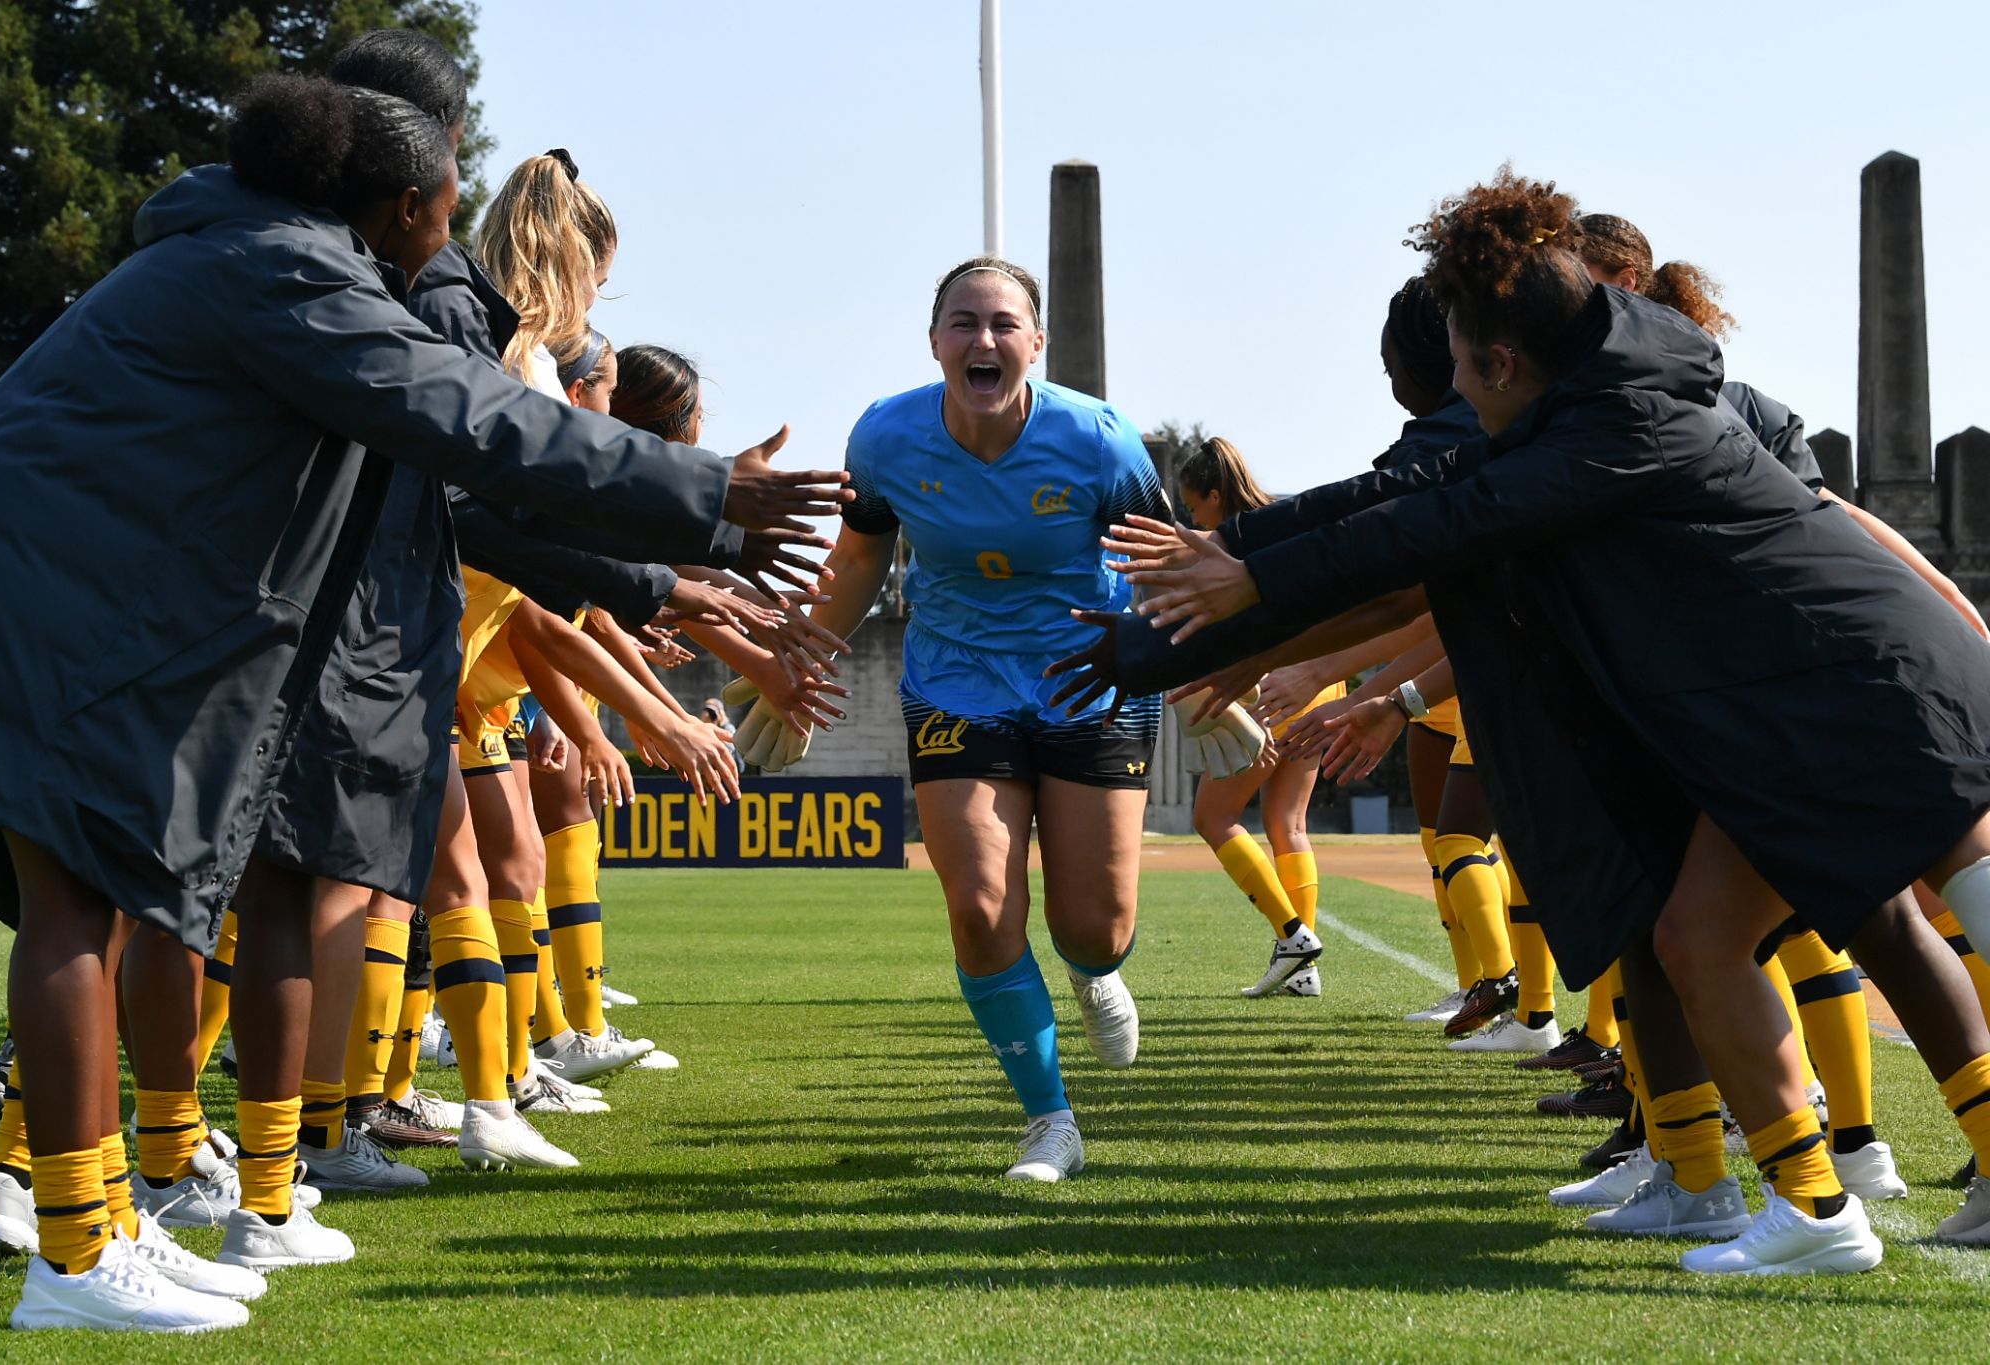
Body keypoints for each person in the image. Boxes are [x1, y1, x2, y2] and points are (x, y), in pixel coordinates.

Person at [0, 71, 845, 1332]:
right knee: (76, 912)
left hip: (47, 598)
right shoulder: (287, 272)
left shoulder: (247, 251)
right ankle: (77, 1255)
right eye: (447, 205)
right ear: (403, 206)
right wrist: (704, 491)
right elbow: (476, 421)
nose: (451, 231)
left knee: (98, 910)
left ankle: (103, 1219)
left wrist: (671, 557)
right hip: (43, 608)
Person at [1055, 169, 1990, 1273]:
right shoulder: (1590, 399)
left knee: (1822, 924)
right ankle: (1805, 1203)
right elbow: (1386, 504)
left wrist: (1245, 589)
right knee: (1710, 934)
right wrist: (1201, 592)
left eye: (1458, 362)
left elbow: (1425, 532)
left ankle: (1820, 1200)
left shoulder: (1611, 424)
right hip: (1814, 695)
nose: (1450, 384)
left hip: (1849, 689)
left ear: (1500, 361)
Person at [739, 254, 1259, 1184]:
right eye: (964, 323)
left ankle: (1095, 972)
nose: (984, 339)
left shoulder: (1099, 439)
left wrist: (1190, 672)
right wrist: (799, 659)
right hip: (957, 681)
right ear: (934, 342)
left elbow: (1157, 564)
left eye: (1003, 324)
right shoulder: (885, 436)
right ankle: (1050, 1121)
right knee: (981, 908)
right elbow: (859, 560)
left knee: (1093, 927)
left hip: (1091, 677)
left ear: (1037, 343)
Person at [1174, 437, 1343, 998]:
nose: (1193, 520)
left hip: (1272, 689)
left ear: (1215, 497)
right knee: (1289, 825)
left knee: (1213, 817)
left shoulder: (1223, 547)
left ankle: (1292, 935)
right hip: (1322, 681)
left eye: (1194, 507)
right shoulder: (1287, 520)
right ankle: (1304, 969)